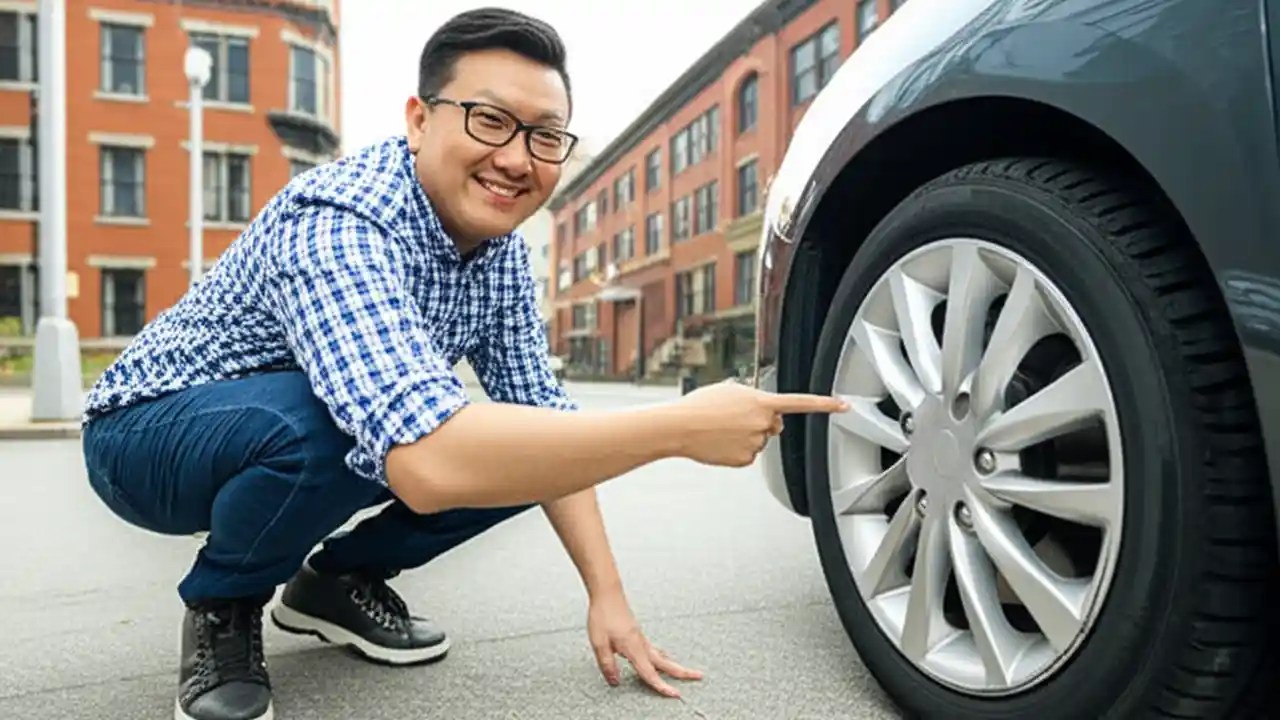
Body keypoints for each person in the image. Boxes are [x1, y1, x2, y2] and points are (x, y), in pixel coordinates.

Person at [79, 8, 847, 720]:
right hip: (148, 437)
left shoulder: (502, 255)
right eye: (489, 120)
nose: (516, 158)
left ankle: (334, 583)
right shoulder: (340, 219)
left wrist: (608, 597)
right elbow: (424, 464)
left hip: (297, 426)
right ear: (418, 120)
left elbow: (545, 422)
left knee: (525, 446)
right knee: (351, 424)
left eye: (544, 135)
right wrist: (677, 427)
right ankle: (226, 602)